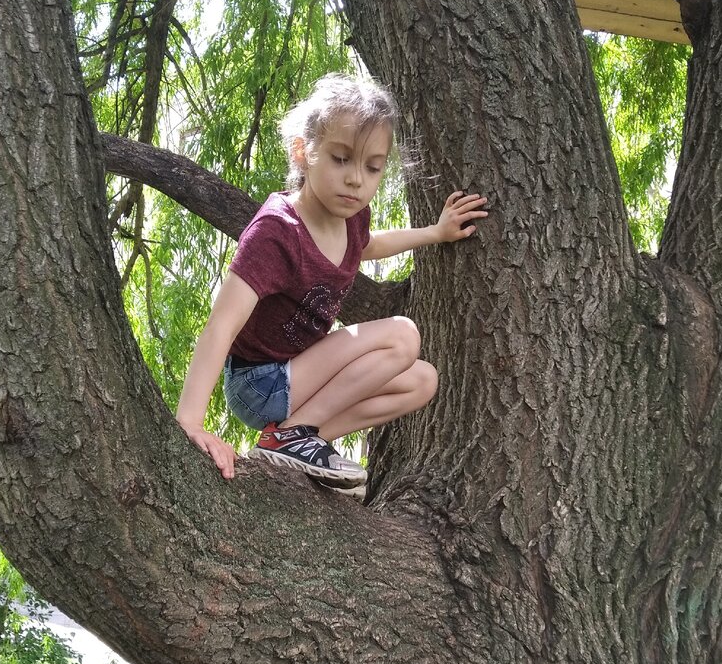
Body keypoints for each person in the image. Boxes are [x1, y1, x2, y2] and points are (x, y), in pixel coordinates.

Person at [175, 72, 488, 493]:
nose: (357, 179)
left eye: (372, 167)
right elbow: (222, 325)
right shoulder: (278, 231)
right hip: (259, 382)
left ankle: (299, 440)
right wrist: (189, 422)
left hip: (300, 379)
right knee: (403, 335)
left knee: (421, 380)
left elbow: (368, 246)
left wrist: (436, 232)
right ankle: (293, 435)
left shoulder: (352, 218)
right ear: (304, 152)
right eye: (341, 159)